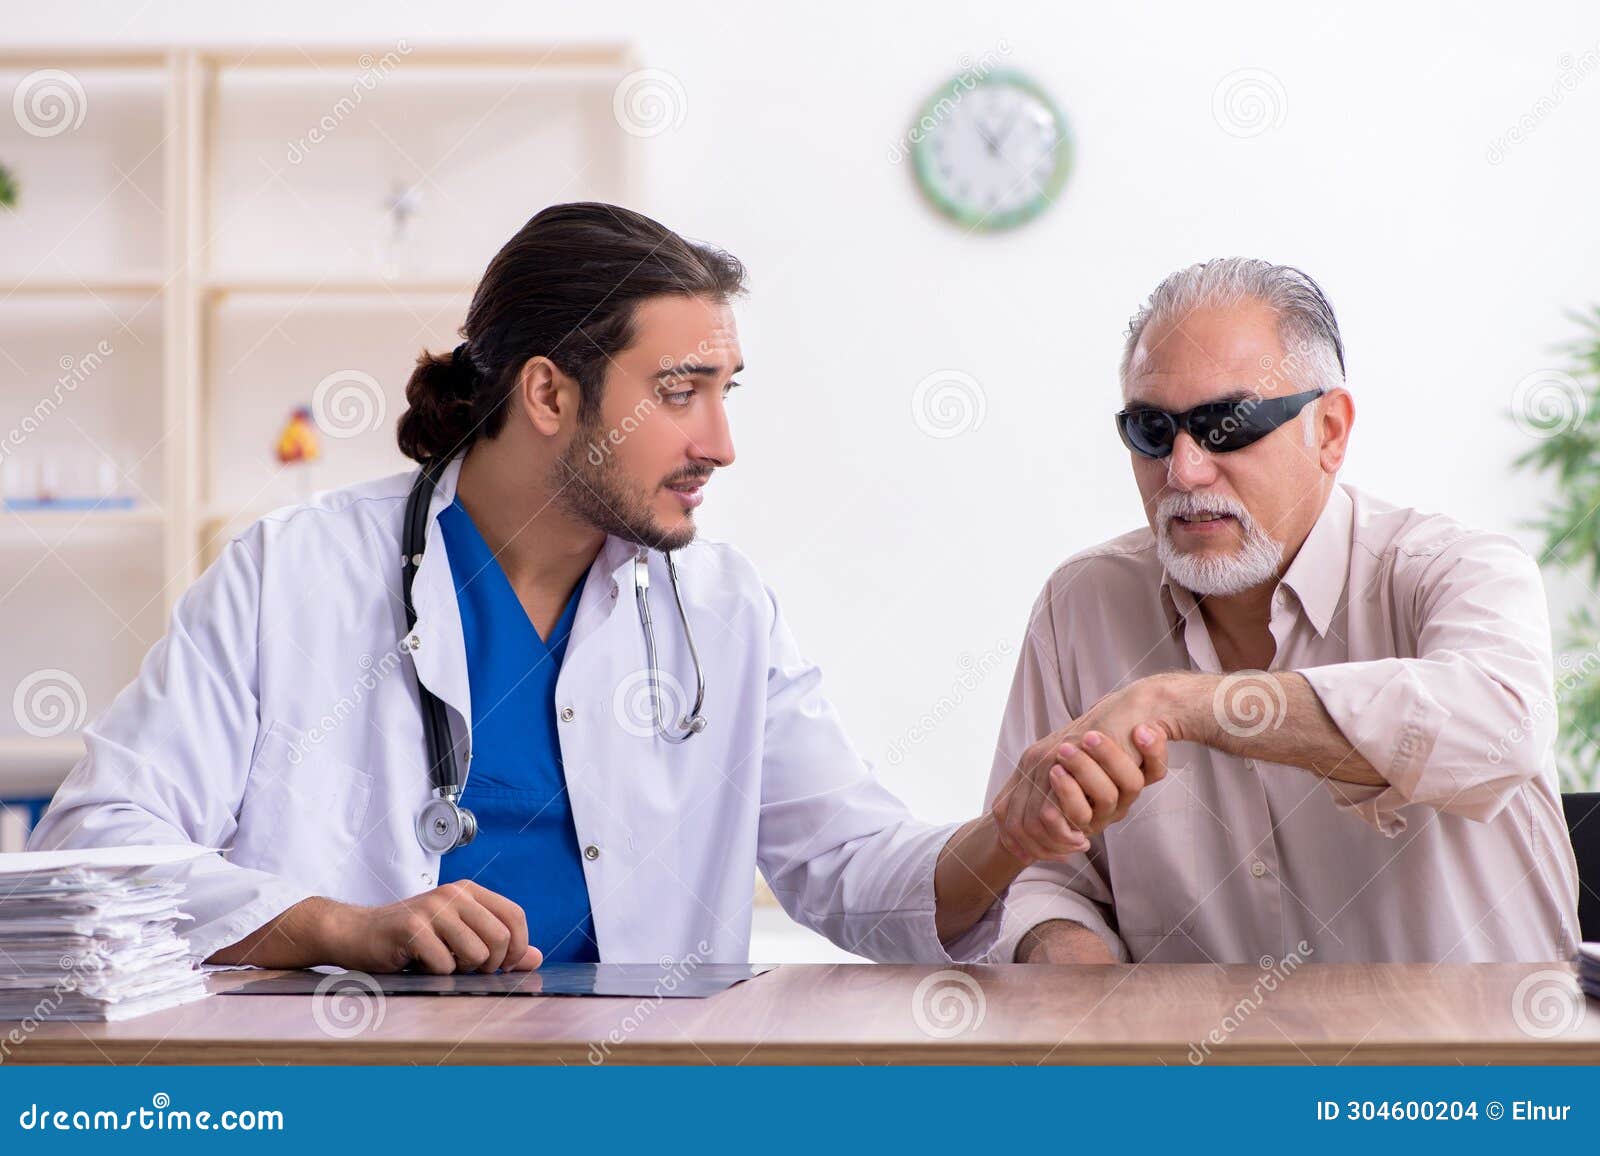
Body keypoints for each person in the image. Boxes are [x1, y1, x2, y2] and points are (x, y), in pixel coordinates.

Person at [29, 203, 1129, 974]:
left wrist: (1008, 835)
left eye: (724, 391)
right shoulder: (292, 575)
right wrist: (334, 925)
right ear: (549, 393)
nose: (721, 442)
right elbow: (96, 847)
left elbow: (843, 865)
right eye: (679, 392)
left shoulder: (720, 612)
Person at [987, 258, 1580, 965]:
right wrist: (1081, 982)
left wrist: (1185, 704)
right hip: (1196, 1074)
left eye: (1226, 425)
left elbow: (1498, 730)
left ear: (1329, 430)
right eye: (1152, 429)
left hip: (1473, 1070)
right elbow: (1041, 876)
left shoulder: (1458, 569)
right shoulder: (1079, 606)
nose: (1184, 470)